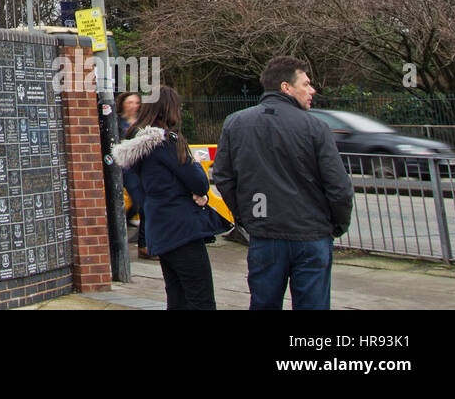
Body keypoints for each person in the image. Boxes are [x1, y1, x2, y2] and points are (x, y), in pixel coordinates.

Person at [211, 56, 353, 310]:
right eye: (306, 84)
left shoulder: (236, 123)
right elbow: (339, 186)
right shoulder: (315, 127)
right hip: (311, 235)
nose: (312, 90)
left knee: (264, 303)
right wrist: (337, 225)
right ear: (286, 87)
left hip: (265, 234)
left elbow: (223, 176)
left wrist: (245, 217)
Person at [114, 86, 227, 310]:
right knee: (200, 297)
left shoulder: (139, 147)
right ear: (169, 110)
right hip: (182, 229)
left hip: (161, 229)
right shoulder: (167, 142)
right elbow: (199, 182)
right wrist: (196, 188)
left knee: (177, 296)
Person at [116, 91, 150, 258]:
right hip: (125, 168)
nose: (134, 106)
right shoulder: (116, 122)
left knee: (141, 204)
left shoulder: (142, 123)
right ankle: (143, 246)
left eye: (136, 102)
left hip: (138, 168)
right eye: (130, 102)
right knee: (142, 204)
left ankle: (142, 241)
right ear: (123, 104)